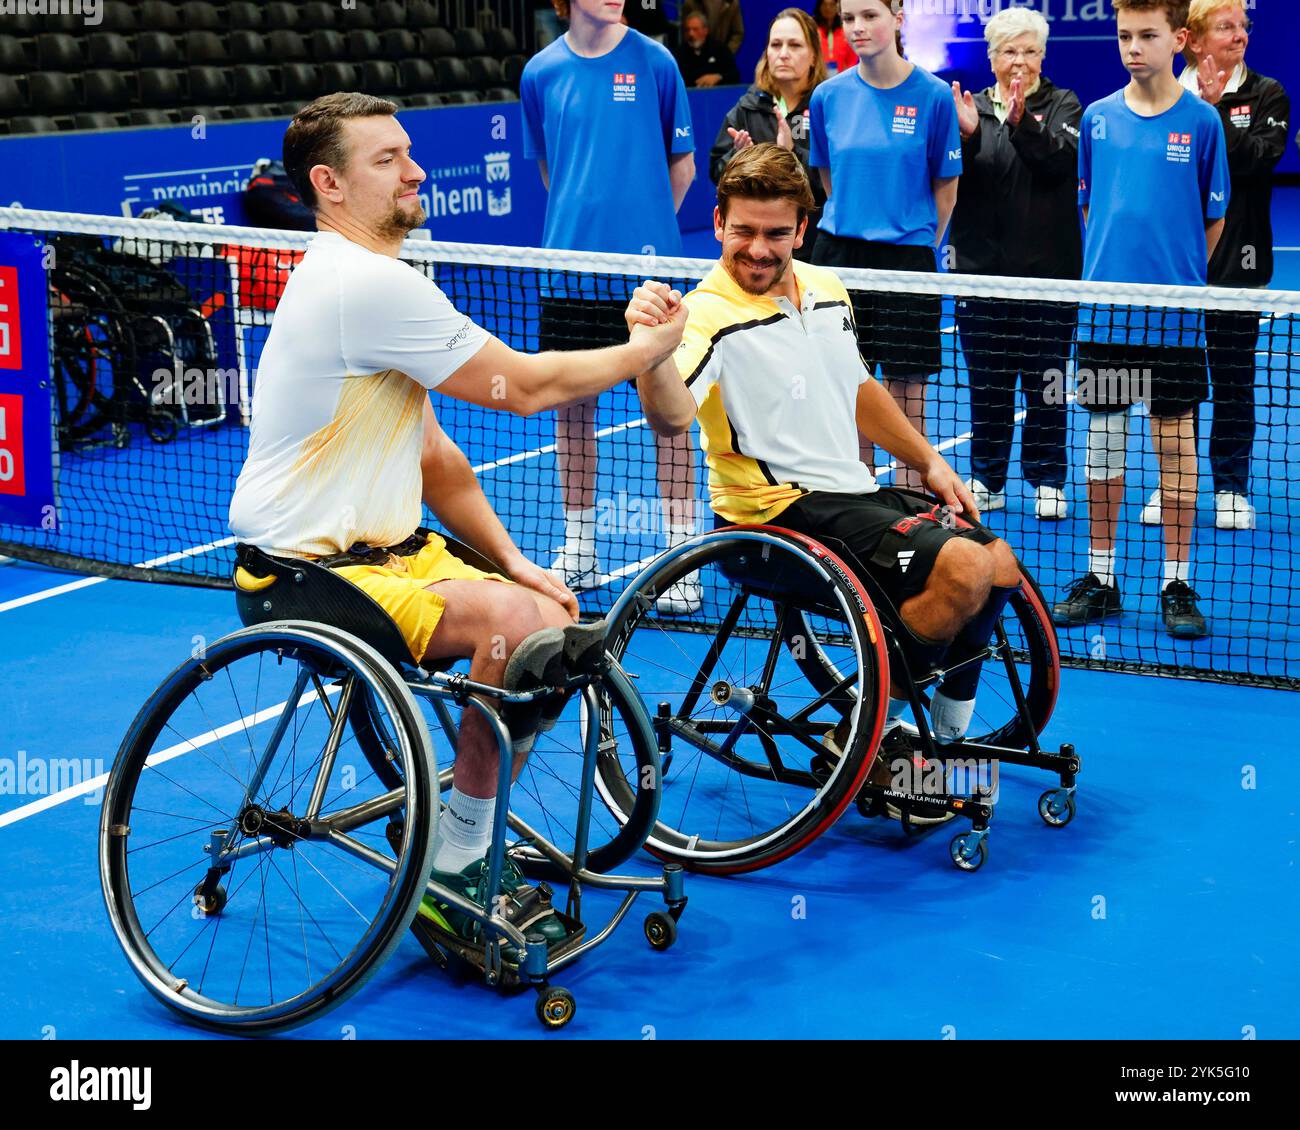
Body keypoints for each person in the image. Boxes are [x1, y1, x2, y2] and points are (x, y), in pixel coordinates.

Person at [228, 93, 686, 954]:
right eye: (386, 160)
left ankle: (457, 809)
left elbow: (436, 457)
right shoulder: (358, 282)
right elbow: (529, 388)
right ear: (328, 184)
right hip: (301, 571)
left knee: (552, 623)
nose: (416, 170)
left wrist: (514, 561)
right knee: (518, 631)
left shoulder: (381, 280)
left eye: (409, 152)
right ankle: (459, 858)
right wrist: (645, 353)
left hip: (389, 555)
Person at [630, 143, 1025, 824]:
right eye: (743, 230)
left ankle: (943, 740)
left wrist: (929, 461)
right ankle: (872, 737)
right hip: (771, 522)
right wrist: (650, 349)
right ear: (718, 221)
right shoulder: (704, 315)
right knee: (962, 569)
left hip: (854, 495)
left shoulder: (828, 290)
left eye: (776, 233)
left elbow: (858, 387)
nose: (758, 248)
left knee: (1000, 564)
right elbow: (669, 417)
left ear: (801, 231)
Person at [1051, 0, 1229, 640]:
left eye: (1147, 35)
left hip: (1176, 326)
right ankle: (1101, 578)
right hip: (1104, 323)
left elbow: (1213, 218)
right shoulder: (1096, 121)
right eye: (1125, 34)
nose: (1133, 46)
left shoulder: (1203, 123)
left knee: (1176, 454)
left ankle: (1175, 583)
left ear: (1177, 39)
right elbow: (1091, 208)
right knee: (1102, 453)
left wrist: (1177, 284)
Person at [521, 0, 702, 615]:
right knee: (571, 413)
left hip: (648, 279)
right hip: (568, 274)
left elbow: (683, 166)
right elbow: (554, 169)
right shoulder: (540, 73)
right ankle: (580, 546)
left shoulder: (656, 62)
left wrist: (643, 231)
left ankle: (682, 555)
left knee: (669, 418)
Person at [1138, 0, 1290, 531]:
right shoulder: (1163, 97)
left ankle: (1229, 485)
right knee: (1172, 386)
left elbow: (1260, 160)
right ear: (1194, 39)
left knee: (1233, 379)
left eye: (1243, 26)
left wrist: (1216, 109)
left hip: (1240, 266)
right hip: (1175, 267)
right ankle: (1170, 483)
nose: (1240, 35)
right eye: (1226, 27)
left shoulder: (1267, 93)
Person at [808, 0, 962, 491]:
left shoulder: (934, 96)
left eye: (869, 15)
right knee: (848, 390)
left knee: (906, 392)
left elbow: (945, 188)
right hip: (839, 260)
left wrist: (909, 239)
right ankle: (862, 507)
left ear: (898, 17)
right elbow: (828, 177)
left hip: (906, 262)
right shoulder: (827, 96)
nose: (857, 27)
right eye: (849, 18)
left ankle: (915, 514)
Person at [949, 7, 1081, 521]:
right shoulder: (970, 109)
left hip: (1049, 276)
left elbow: (1057, 162)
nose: (1019, 61)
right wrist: (966, 137)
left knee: (1047, 382)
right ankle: (987, 477)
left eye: (1029, 50)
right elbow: (954, 175)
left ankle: (1047, 477)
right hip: (981, 273)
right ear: (992, 57)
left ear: (1043, 55)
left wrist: (1022, 121)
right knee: (987, 382)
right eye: (1009, 50)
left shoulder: (1064, 104)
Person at [710, 7, 829, 260]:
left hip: (814, 251)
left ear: (813, 56)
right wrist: (738, 159)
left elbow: (833, 186)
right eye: (776, 45)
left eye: (795, 45)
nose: (783, 54)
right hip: (754, 254)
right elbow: (717, 174)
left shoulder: (828, 109)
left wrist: (792, 155)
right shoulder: (746, 108)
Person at [676, 10, 740, 88]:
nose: (691, 34)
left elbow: (734, 75)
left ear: (705, 30)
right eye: (688, 30)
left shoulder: (720, 49)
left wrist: (718, 77)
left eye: (695, 29)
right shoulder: (679, 54)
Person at [812, 0, 858, 74]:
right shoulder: (812, 29)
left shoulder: (845, 30)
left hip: (840, 78)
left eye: (832, 4)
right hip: (817, 77)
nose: (828, 8)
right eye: (824, 4)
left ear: (837, 7)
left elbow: (851, 61)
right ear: (819, 7)